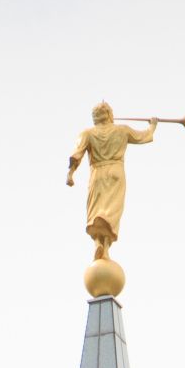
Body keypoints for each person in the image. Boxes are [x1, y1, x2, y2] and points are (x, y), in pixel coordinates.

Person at [67, 103, 157, 259]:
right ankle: (106, 248)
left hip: (97, 174)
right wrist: (153, 126)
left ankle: (97, 243)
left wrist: (70, 174)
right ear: (109, 114)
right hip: (116, 173)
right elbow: (144, 136)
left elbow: (76, 154)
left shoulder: (87, 133)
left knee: (95, 210)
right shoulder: (122, 130)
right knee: (112, 211)